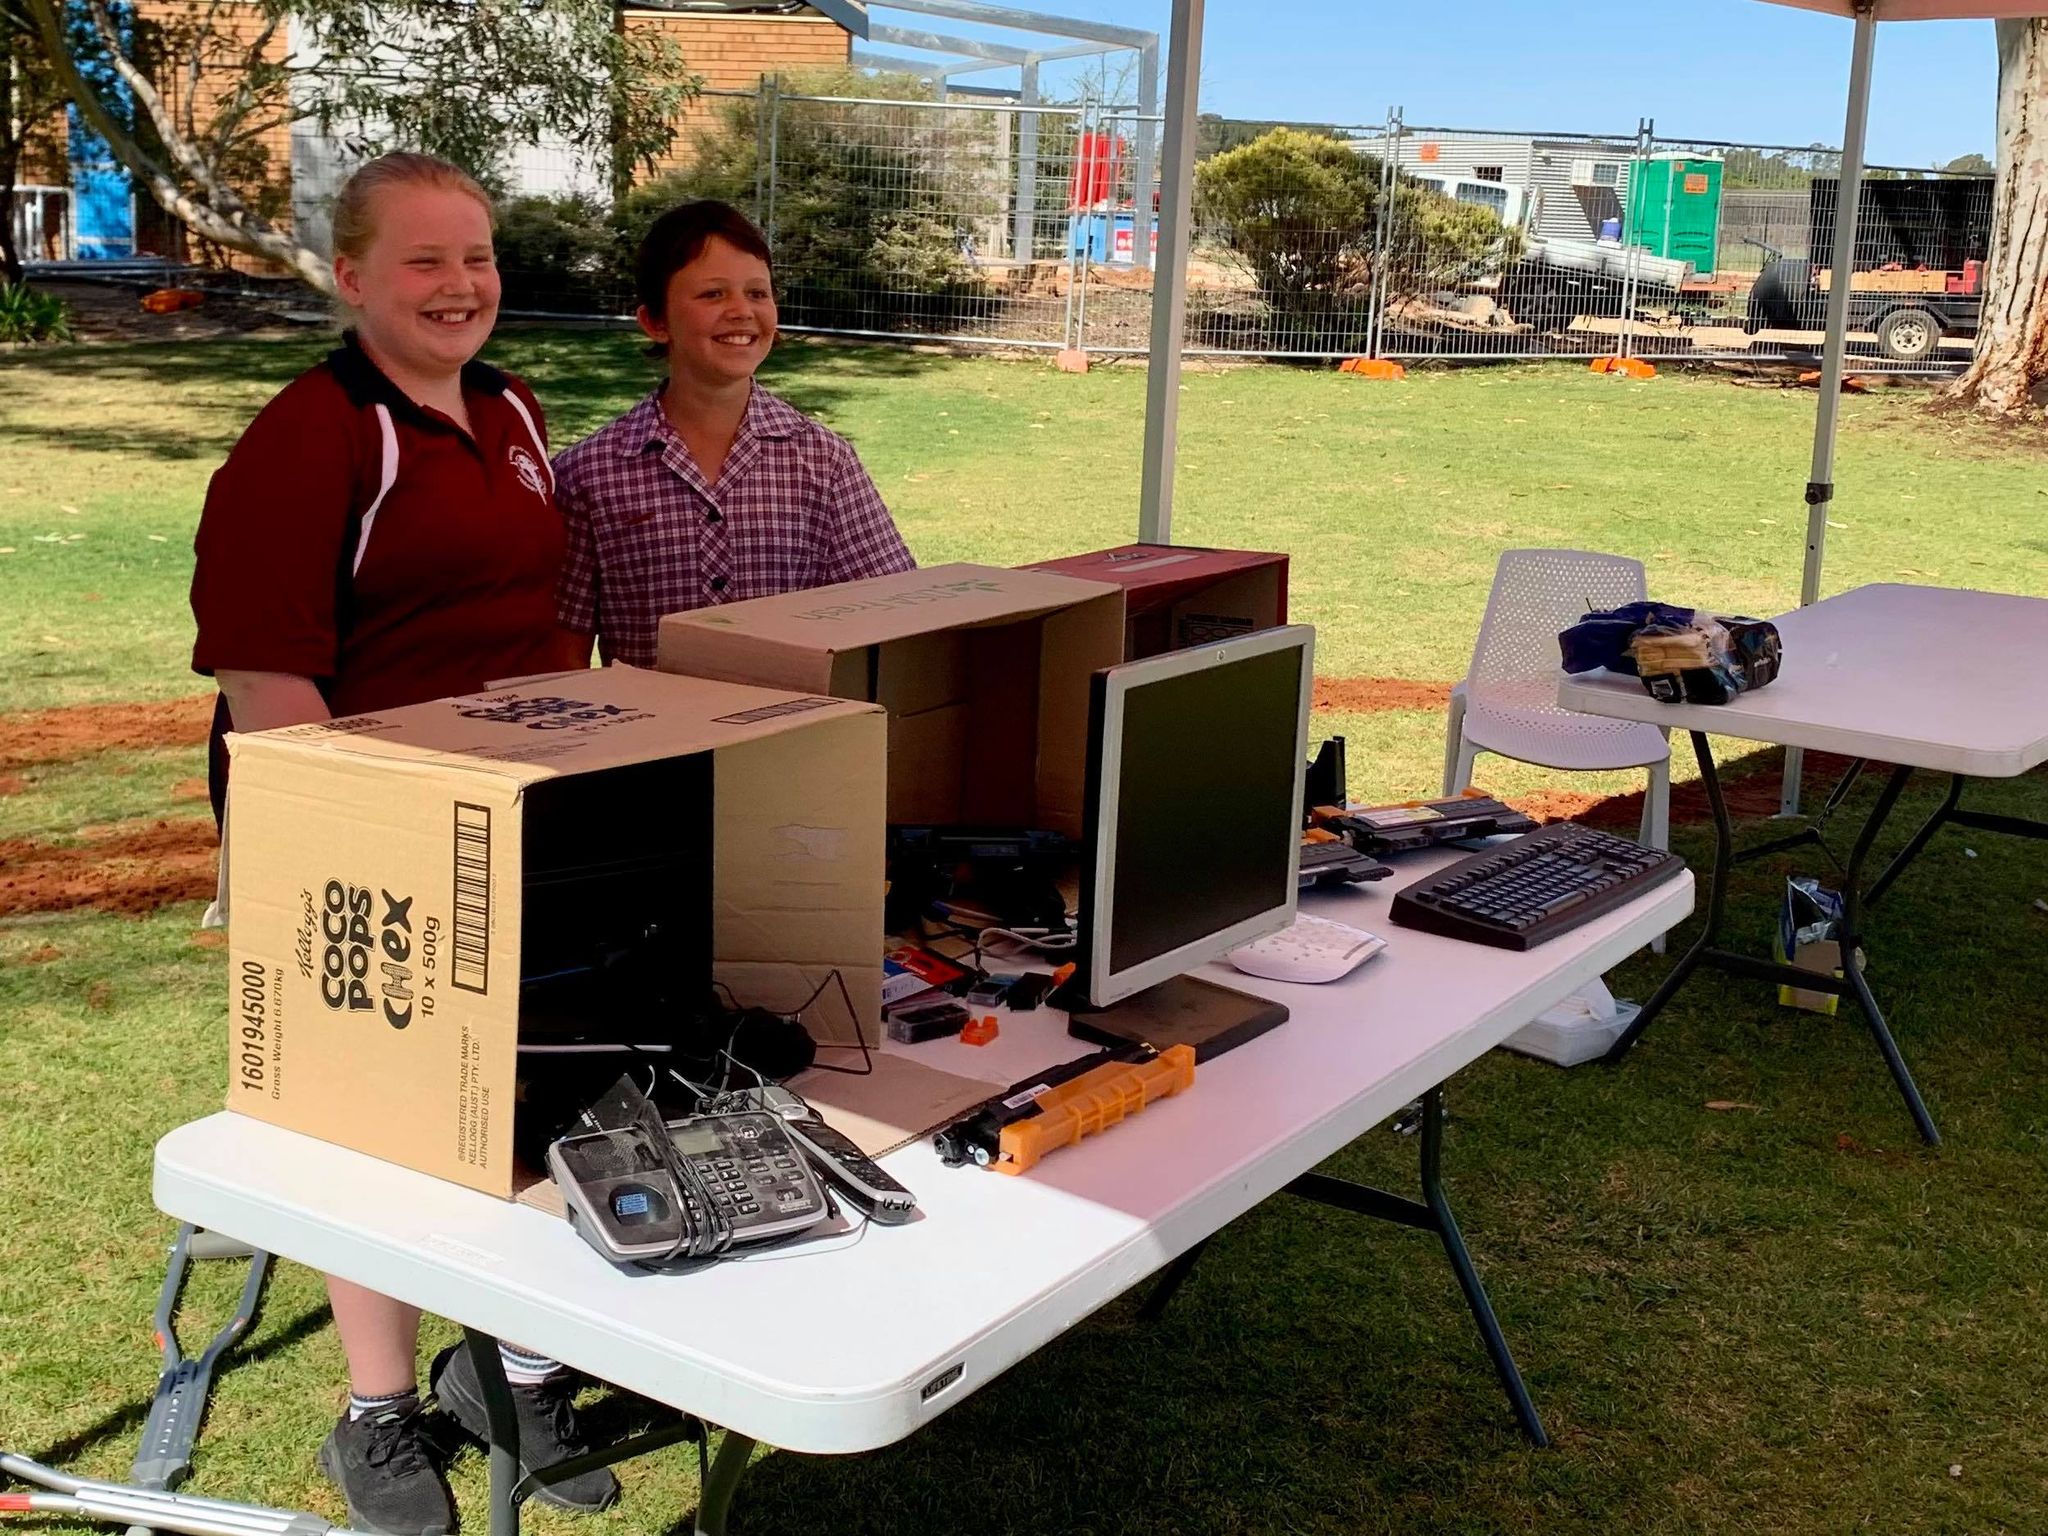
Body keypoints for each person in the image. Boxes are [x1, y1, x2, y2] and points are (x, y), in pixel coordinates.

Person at [188, 152, 609, 1536]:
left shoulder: (516, 409)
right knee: (370, 1128)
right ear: (352, 276)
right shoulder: (310, 437)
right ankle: (378, 1411)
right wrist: (367, 844)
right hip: (359, 831)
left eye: (477, 257)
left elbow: (542, 614)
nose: (461, 286)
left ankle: (518, 1375)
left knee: (542, 1092)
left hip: (517, 810)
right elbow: (266, 681)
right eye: (424, 262)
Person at [553, 199, 914, 665]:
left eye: (757, 293)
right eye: (713, 295)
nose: (741, 311)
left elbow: (895, 611)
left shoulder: (823, 462)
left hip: (793, 731)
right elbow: (563, 646)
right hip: (659, 733)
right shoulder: (588, 474)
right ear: (655, 322)